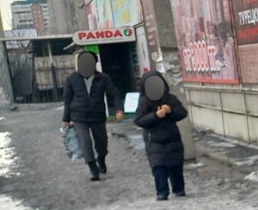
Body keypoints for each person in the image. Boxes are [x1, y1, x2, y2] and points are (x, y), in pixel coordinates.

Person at [62, 51, 123, 181]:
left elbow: (114, 93)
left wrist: (119, 109)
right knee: (85, 142)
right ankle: (92, 168)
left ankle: (101, 158)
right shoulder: (71, 79)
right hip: (79, 117)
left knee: (102, 143)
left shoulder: (103, 78)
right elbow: (67, 99)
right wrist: (66, 118)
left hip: (97, 116)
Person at [134, 71, 188, 201]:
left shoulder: (170, 98)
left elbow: (182, 113)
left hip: (172, 138)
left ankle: (179, 188)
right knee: (159, 167)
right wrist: (155, 116)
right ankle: (162, 192)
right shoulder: (144, 102)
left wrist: (170, 111)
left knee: (176, 165)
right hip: (154, 141)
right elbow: (139, 120)